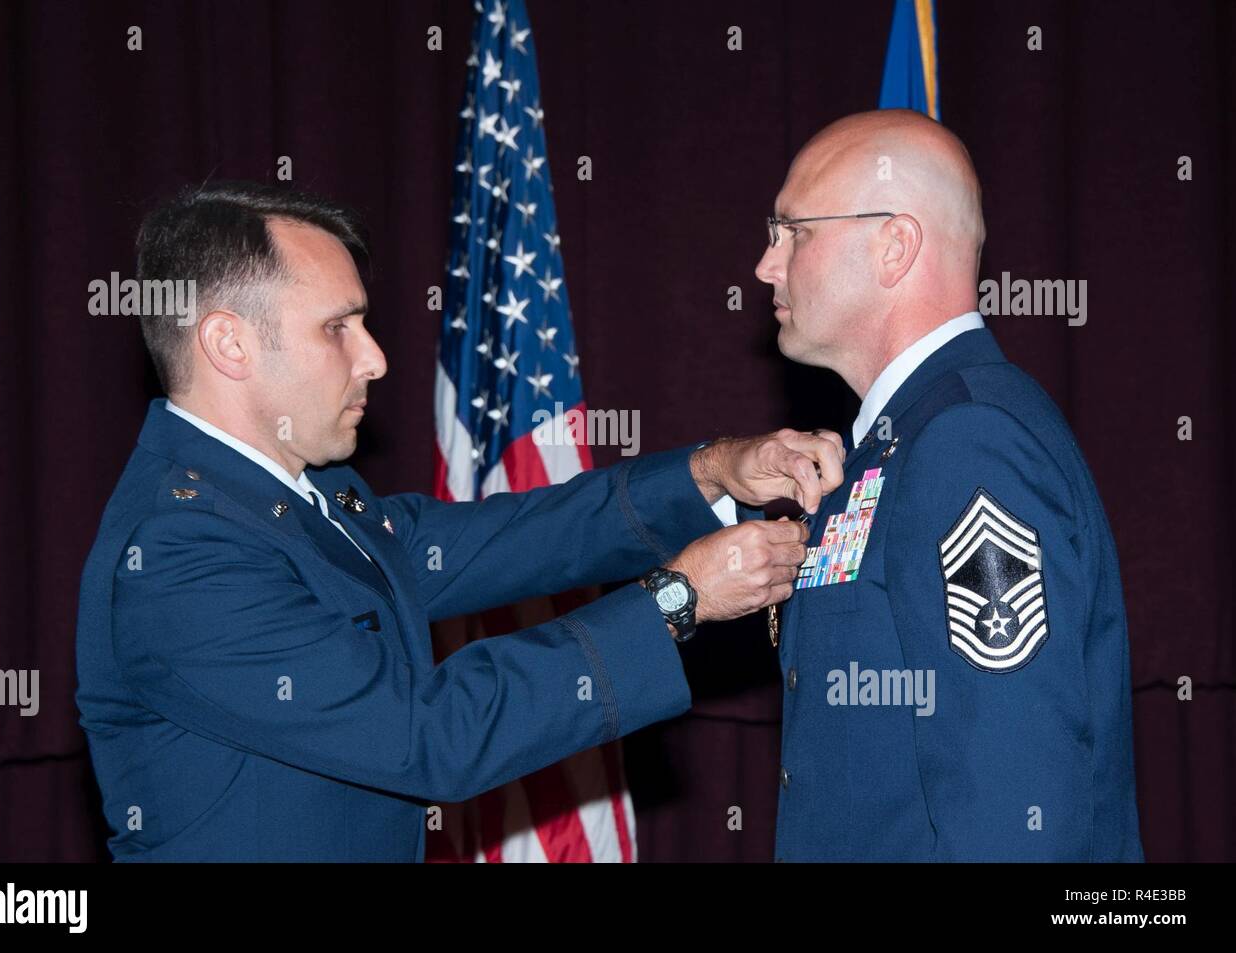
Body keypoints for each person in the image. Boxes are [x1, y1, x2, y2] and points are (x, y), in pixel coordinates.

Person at [75, 181, 844, 861]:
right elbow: (426, 734)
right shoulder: (181, 550)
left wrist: (710, 470)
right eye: (337, 327)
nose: (374, 358)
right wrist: (678, 598)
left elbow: (512, 537)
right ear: (228, 343)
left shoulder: (301, 494)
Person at [755, 110, 1143, 861]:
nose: (767, 265)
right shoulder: (893, 442)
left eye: (793, 232)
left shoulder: (970, 445)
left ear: (895, 246)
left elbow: (1015, 802)